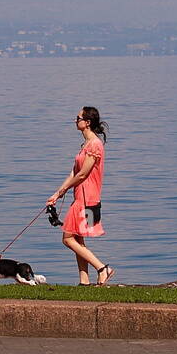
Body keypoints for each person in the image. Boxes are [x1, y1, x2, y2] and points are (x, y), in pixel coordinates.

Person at [48, 106, 114, 285]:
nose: (75, 121)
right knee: (77, 238)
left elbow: (83, 174)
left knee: (68, 238)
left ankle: (102, 268)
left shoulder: (95, 145)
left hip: (87, 199)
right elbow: (74, 172)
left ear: (87, 122)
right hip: (79, 196)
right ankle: (84, 281)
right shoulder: (85, 145)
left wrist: (63, 190)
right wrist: (58, 193)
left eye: (78, 118)